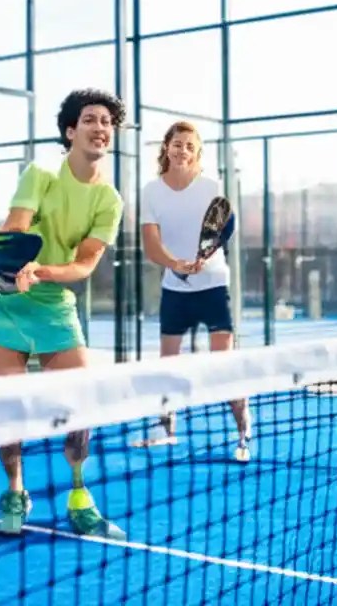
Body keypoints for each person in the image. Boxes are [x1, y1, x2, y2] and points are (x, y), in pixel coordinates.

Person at [0, 88, 126, 540]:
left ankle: (79, 496)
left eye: (106, 121)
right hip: (5, 303)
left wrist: (42, 271)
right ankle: (15, 492)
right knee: (10, 409)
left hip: (54, 304)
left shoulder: (110, 200)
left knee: (80, 404)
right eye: (89, 119)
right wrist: (16, 264)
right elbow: (15, 228)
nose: (99, 127)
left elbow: (84, 264)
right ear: (70, 131)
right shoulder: (41, 172)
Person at [136, 121, 251, 461]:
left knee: (224, 363)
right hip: (175, 288)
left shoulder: (211, 186)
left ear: (197, 152)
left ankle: (243, 433)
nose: (182, 149)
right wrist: (176, 263)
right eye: (177, 143)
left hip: (214, 286)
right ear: (166, 148)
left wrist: (203, 260)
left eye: (189, 145)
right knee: (167, 361)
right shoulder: (151, 191)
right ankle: (165, 428)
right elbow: (151, 246)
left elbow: (219, 231)